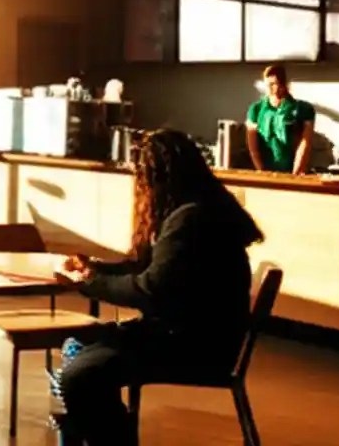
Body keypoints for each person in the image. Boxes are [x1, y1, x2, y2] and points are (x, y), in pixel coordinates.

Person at [54, 129, 264, 446]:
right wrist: (95, 269)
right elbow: (150, 270)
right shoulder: (200, 208)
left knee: (80, 374)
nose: (141, 189)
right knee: (83, 354)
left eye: (143, 178)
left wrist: (90, 283)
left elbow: (150, 289)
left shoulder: (191, 220)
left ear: (160, 177)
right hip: (204, 335)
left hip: (196, 347)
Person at [245, 63, 315, 174]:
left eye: (273, 84)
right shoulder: (256, 109)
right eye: (267, 84)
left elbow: (305, 143)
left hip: (292, 170)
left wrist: (295, 173)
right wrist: (261, 171)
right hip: (265, 171)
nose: (269, 88)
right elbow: (253, 146)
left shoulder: (301, 109)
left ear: (283, 84)